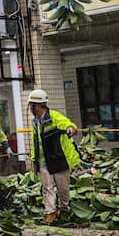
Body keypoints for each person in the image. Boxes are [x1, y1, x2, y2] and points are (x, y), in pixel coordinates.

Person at [27, 89, 80, 225]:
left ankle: (64, 209)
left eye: (31, 105)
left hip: (59, 159)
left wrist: (70, 129)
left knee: (63, 188)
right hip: (44, 161)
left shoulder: (54, 117)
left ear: (37, 105)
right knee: (47, 187)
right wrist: (34, 159)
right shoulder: (35, 122)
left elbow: (68, 124)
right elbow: (35, 142)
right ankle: (50, 212)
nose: (30, 108)